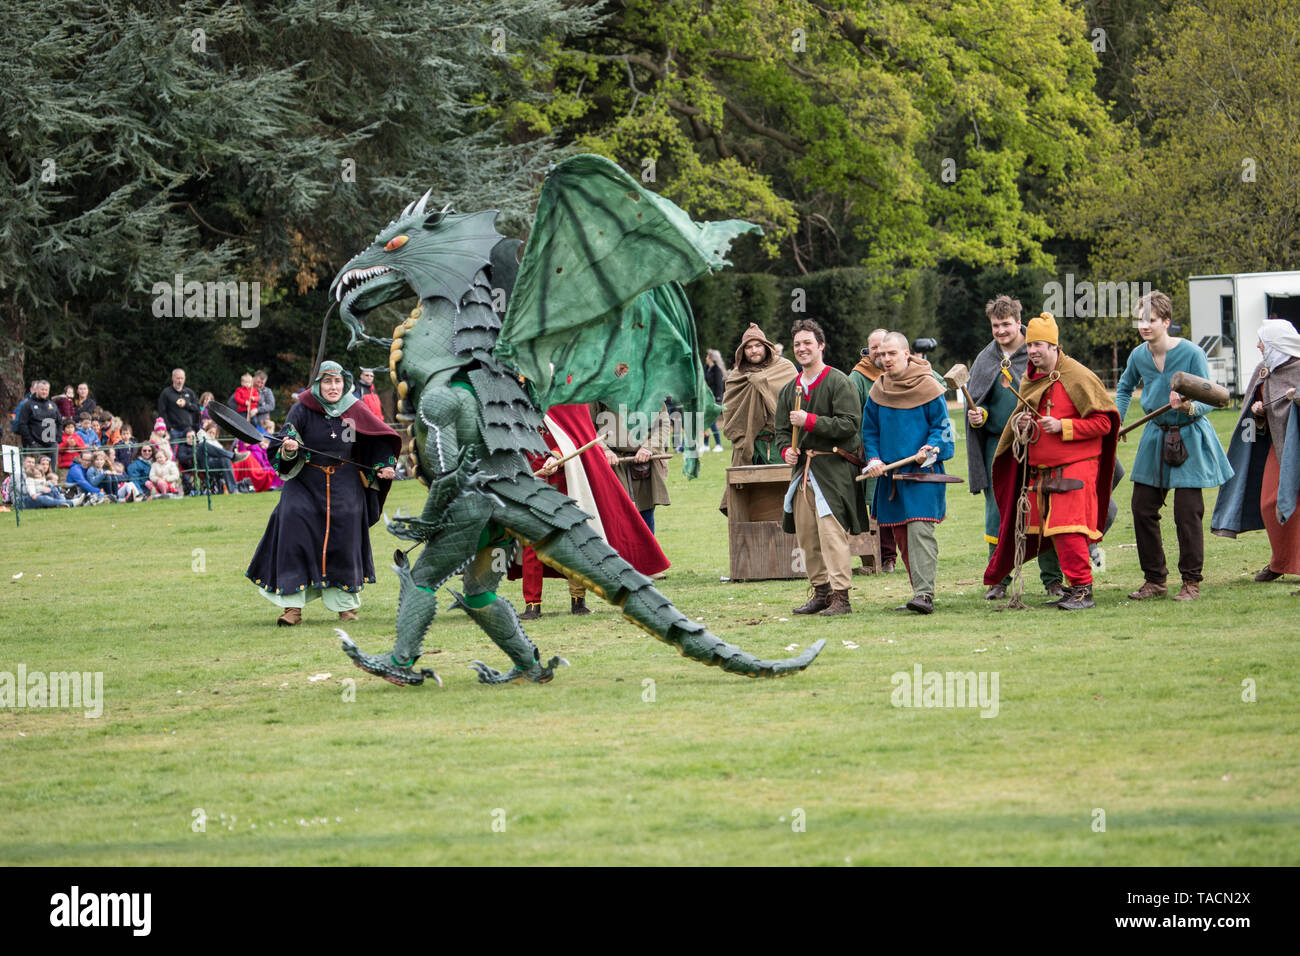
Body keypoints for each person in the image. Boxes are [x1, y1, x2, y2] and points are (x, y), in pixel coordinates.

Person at [246, 361, 400, 625]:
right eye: (327, 382)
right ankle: (292, 608)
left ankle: (345, 607)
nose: (333, 387)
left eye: (337, 382)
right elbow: (286, 441)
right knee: (293, 521)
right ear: (318, 385)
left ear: (344, 383)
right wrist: (291, 448)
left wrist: (384, 464)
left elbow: (375, 439)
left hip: (345, 483)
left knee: (346, 530)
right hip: (305, 482)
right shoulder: (302, 409)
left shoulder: (354, 409)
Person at [984, 314, 1120, 610]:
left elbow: (1104, 424)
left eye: (1039, 345)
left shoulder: (1078, 375)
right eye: (1030, 345)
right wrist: (1021, 426)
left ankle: (1083, 590)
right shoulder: (1031, 377)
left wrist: (1064, 427)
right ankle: (1073, 589)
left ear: (1055, 346)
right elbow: (1025, 417)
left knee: (1068, 527)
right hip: (1041, 471)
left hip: (1077, 466)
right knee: (1050, 530)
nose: (1032, 351)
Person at [1114, 291, 1233, 601]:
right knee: (1142, 507)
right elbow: (1125, 388)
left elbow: (1213, 398)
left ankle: (1191, 583)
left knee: (1187, 513)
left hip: (1190, 433)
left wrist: (1188, 408)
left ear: (1166, 322)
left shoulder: (1192, 353)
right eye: (1140, 320)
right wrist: (1117, 420)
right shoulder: (1139, 355)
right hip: (1154, 436)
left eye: (1150, 320)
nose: (1144, 325)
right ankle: (1155, 580)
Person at [516, 405, 669, 618]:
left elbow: (575, 438)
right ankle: (532, 604)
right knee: (533, 543)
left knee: (573, 542)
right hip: (532, 479)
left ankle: (578, 599)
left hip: (566, 481)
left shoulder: (567, 397)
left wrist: (556, 456)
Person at [965, 295, 1064, 600]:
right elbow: (980, 402)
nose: (1001, 331)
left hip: (1037, 443)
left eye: (1006, 324)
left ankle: (1053, 579)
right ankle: (998, 579)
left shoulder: (1037, 352)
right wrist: (979, 417)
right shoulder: (985, 359)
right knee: (998, 513)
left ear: (1019, 323)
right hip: (998, 448)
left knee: (1043, 508)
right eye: (996, 325)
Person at [773, 318, 869, 616]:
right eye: (797, 344)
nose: (802, 349)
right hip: (803, 472)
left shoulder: (839, 381)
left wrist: (809, 421)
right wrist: (787, 450)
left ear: (821, 346)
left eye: (808, 343)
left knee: (831, 536)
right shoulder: (790, 388)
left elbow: (850, 426)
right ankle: (822, 592)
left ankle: (842, 598)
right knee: (807, 536)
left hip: (833, 470)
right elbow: (779, 431)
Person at [861, 331, 955, 614]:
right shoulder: (878, 391)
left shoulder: (928, 387)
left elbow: (943, 428)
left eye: (891, 353)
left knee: (919, 530)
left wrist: (932, 447)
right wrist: (874, 458)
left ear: (906, 354)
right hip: (892, 479)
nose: (885, 359)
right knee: (901, 536)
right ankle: (919, 592)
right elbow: (870, 431)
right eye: (881, 354)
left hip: (922, 475)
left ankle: (925, 595)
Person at [1211, 318, 1300, 585]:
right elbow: (1256, 409)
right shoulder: (1265, 370)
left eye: (1263, 341)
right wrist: (1257, 411)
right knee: (1269, 503)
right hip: (1279, 445)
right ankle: (1280, 561)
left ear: (1276, 344)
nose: (1258, 345)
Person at [718, 323, 798, 514]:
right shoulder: (736, 376)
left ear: (766, 347)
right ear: (742, 351)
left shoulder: (785, 368)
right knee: (751, 501)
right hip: (750, 449)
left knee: (785, 500)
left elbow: (794, 407)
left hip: (781, 446)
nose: (753, 350)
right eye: (748, 347)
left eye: (757, 345)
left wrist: (762, 385)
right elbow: (730, 414)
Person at [848, 327, 897, 574]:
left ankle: (907, 554)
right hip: (872, 451)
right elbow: (852, 415)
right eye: (874, 347)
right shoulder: (858, 377)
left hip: (901, 450)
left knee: (903, 502)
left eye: (883, 346)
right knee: (878, 506)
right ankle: (883, 557)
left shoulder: (905, 369)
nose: (879, 352)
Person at [604, 402, 672, 534]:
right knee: (614, 522)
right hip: (611, 466)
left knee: (645, 519)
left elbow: (662, 423)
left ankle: (648, 555)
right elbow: (587, 426)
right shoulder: (598, 388)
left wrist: (649, 447)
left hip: (645, 466)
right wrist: (604, 450)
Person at [16, 380, 59, 456]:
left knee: (51, 468)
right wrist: (31, 441)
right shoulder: (28, 404)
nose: (44, 392)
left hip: (51, 445)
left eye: (46, 390)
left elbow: (59, 422)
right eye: (42, 389)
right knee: (35, 467)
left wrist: (58, 439)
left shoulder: (52, 405)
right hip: (35, 445)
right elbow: (22, 424)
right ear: (37, 390)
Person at [702, 349, 726, 451]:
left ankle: (719, 444)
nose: (706, 358)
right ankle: (706, 445)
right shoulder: (707, 368)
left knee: (711, 422)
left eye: (707, 356)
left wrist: (718, 399)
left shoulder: (717, 370)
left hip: (715, 400)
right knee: (706, 422)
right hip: (707, 400)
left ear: (711, 358)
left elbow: (719, 386)